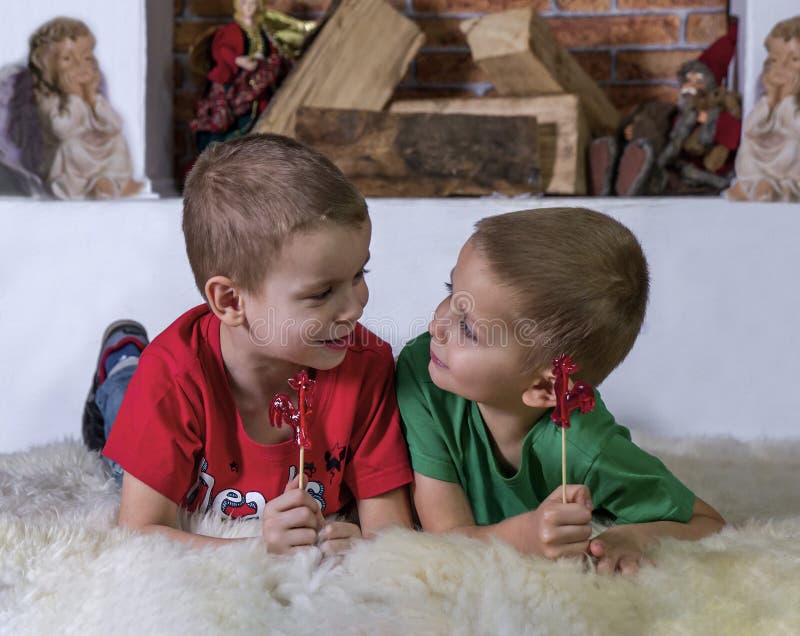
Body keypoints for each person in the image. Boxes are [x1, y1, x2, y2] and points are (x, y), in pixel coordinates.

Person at [83, 133, 413, 554]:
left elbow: (390, 528)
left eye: (359, 274)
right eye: (322, 293)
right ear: (231, 301)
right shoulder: (172, 378)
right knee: (120, 425)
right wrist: (256, 550)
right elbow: (140, 531)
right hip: (150, 388)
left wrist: (367, 549)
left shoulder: (367, 368)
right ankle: (122, 361)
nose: (356, 307)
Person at [396, 207, 725, 575]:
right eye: (452, 292)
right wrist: (521, 537)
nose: (436, 325)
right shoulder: (422, 374)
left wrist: (635, 536)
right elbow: (448, 538)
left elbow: (707, 522)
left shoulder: (587, 447)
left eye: (469, 329)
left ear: (543, 387)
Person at [28, 17, 142, 199]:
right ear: (48, 69)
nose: (79, 66)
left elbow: (113, 124)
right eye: (67, 59)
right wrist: (73, 96)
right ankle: (79, 188)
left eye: (86, 58)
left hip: (94, 148)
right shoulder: (48, 99)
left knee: (117, 141)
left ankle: (108, 182)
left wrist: (91, 98)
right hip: (68, 158)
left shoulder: (93, 91)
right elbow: (62, 131)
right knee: (71, 147)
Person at [190, 0, 291, 154]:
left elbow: (271, 52)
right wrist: (239, 60)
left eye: (253, 4)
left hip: (258, 85)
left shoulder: (262, 32)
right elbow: (221, 50)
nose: (249, 8)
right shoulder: (231, 31)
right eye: (245, 4)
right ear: (239, 6)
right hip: (236, 84)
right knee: (234, 122)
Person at [726, 15, 800, 202]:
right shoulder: (768, 89)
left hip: (792, 162)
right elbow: (751, 129)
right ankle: (753, 183)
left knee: (792, 147)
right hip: (773, 151)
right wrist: (771, 99)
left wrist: (788, 100)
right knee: (750, 146)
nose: (782, 67)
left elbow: (794, 129)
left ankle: (782, 188)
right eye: (775, 59)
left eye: (794, 59)